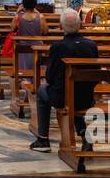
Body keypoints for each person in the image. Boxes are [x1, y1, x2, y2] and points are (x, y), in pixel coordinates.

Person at [30, 8, 98, 152]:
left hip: (62, 97)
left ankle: (43, 139)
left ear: (61, 27)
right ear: (80, 25)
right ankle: (84, 134)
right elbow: (95, 74)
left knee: (42, 90)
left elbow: (49, 77)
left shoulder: (58, 47)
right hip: (87, 98)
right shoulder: (91, 45)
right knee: (74, 92)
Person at [8, 0, 49, 93]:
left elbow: (12, 29)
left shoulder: (18, 17)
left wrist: (17, 12)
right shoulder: (41, 17)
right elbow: (45, 31)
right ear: (35, 4)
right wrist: (38, 12)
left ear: (23, 4)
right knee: (38, 71)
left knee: (24, 72)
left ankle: (26, 84)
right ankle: (39, 85)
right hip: (38, 48)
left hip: (23, 50)